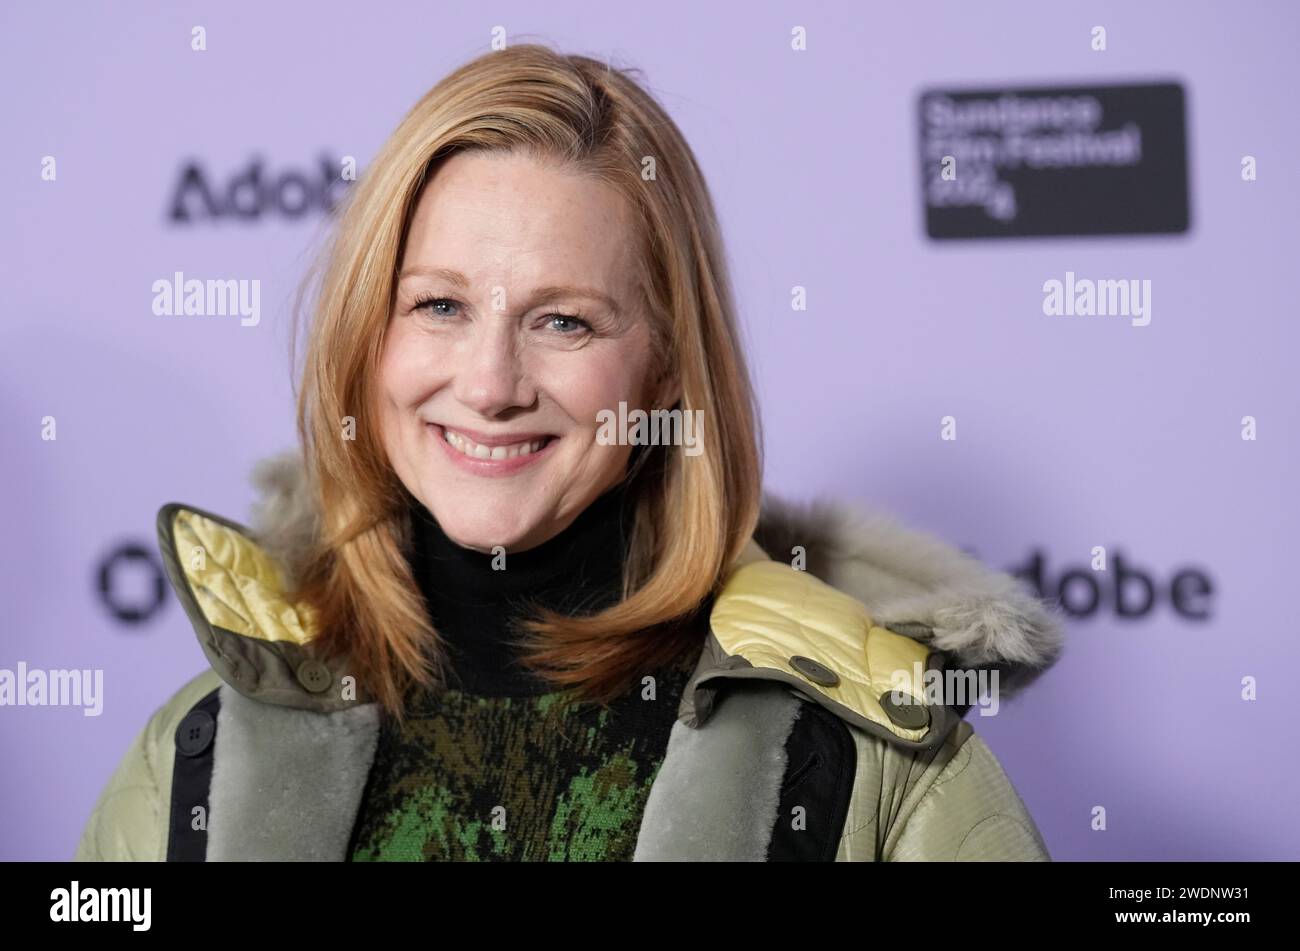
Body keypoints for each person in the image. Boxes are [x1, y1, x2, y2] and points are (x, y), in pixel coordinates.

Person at [75, 43, 1064, 862]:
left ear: (671, 367)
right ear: (362, 338)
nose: (491, 384)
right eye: (439, 306)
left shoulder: (873, 760)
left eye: (564, 322)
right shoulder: (196, 754)